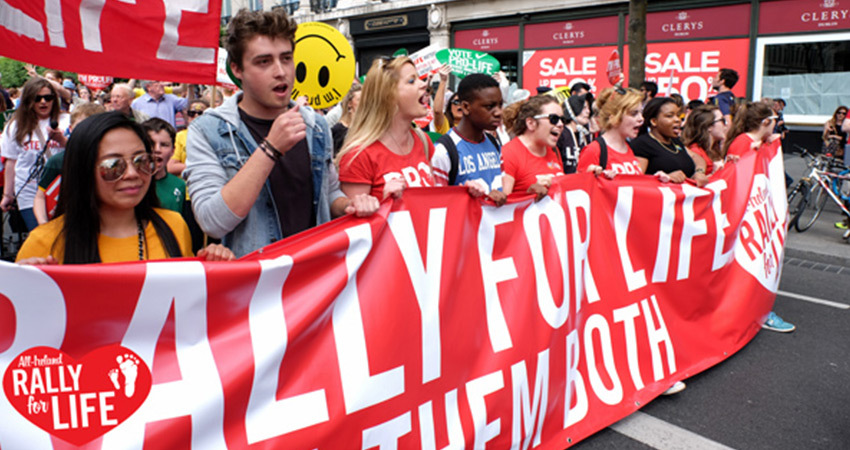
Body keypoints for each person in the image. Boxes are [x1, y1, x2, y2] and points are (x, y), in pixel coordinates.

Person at [185, 7, 377, 258]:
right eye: (264, 61)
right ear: (237, 69)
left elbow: (328, 192)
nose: (280, 71)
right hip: (255, 283)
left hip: (315, 276)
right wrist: (270, 149)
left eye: (286, 58)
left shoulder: (315, 125)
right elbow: (213, 221)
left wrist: (348, 205)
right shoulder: (208, 130)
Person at [16, 112, 233, 264]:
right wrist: (23, 289)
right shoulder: (43, 243)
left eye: (141, 161)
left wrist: (215, 266)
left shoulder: (174, 226)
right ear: (83, 170)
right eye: (113, 165)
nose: (131, 174)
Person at [337, 56, 442, 200]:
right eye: (411, 81)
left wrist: (467, 193)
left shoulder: (423, 141)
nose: (423, 84)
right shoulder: (358, 156)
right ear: (389, 96)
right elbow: (356, 219)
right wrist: (384, 201)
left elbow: (434, 201)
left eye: (419, 78)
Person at [0, 78, 70, 230]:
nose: (43, 102)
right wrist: (7, 195)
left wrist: (61, 140)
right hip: (29, 191)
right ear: (28, 100)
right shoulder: (15, 126)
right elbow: (11, 162)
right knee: (40, 235)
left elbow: (80, 153)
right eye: (37, 98)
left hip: (61, 190)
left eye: (48, 97)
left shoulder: (66, 121)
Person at [432, 73, 506, 203]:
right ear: (466, 107)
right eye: (490, 106)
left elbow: (503, 189)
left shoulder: (494, 143)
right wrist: (463, 195)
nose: (498, 112)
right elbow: (435, 207)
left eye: (500, 105)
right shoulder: (443, 151)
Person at [33, 102, 107, 225]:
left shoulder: (111, 160)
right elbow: (40, 196)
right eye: (80, 126)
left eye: (93, 127)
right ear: (71, 128)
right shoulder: (58, 161)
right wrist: (43, 223)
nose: (86, 132)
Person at [630, 97, 709, 186]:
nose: (677, 120)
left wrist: (699, 172)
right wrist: (665, 178)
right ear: (654, 121)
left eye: (678, 115)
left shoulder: (675, 142)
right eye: (670, 116)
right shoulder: (642, 145)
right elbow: (636, 182)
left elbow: (697, 158)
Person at [500, 95, 565, 199]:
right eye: (554, 119)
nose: (561, 124)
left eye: (562, 119)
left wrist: (588, 176)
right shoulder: (508, 154)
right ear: (531, 123)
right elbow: (502, 206)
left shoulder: (554, 150)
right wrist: (529, 194)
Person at [577, 87, 644, 177]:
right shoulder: (594, 150)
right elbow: (580, 187)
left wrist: (656, 180)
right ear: (614, 117)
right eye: (634, 113)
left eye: (641, 113)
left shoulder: (628, 148)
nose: (641, 119)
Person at [142, 118, 185, 213]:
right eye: (151, 144)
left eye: (164, 145)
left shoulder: (179, 185)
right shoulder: (136, 185)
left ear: (173, 150)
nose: (157, 149)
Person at [682, 104, 728, 175]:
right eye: (722, 120)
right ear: (709, 126)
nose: (726, 125)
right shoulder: (695, 152)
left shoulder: (714, 149)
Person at [168, 99, 209, 176]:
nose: (196, 116)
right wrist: (199, 167)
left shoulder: (214, 136)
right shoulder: (180, 136)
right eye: (192, 113)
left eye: (201, 113)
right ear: (187, 116)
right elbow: (170, 167)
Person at [557, 92, 591, 174]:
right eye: (583, 108)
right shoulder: (561, 134)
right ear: (572, 110)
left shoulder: (585, 134)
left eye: (588, 108)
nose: (588, 112)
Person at [331, 84, 362, 156]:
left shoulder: (368, 126)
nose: (364, 103)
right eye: (359, 100)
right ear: (350, 104)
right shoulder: (338, 130)